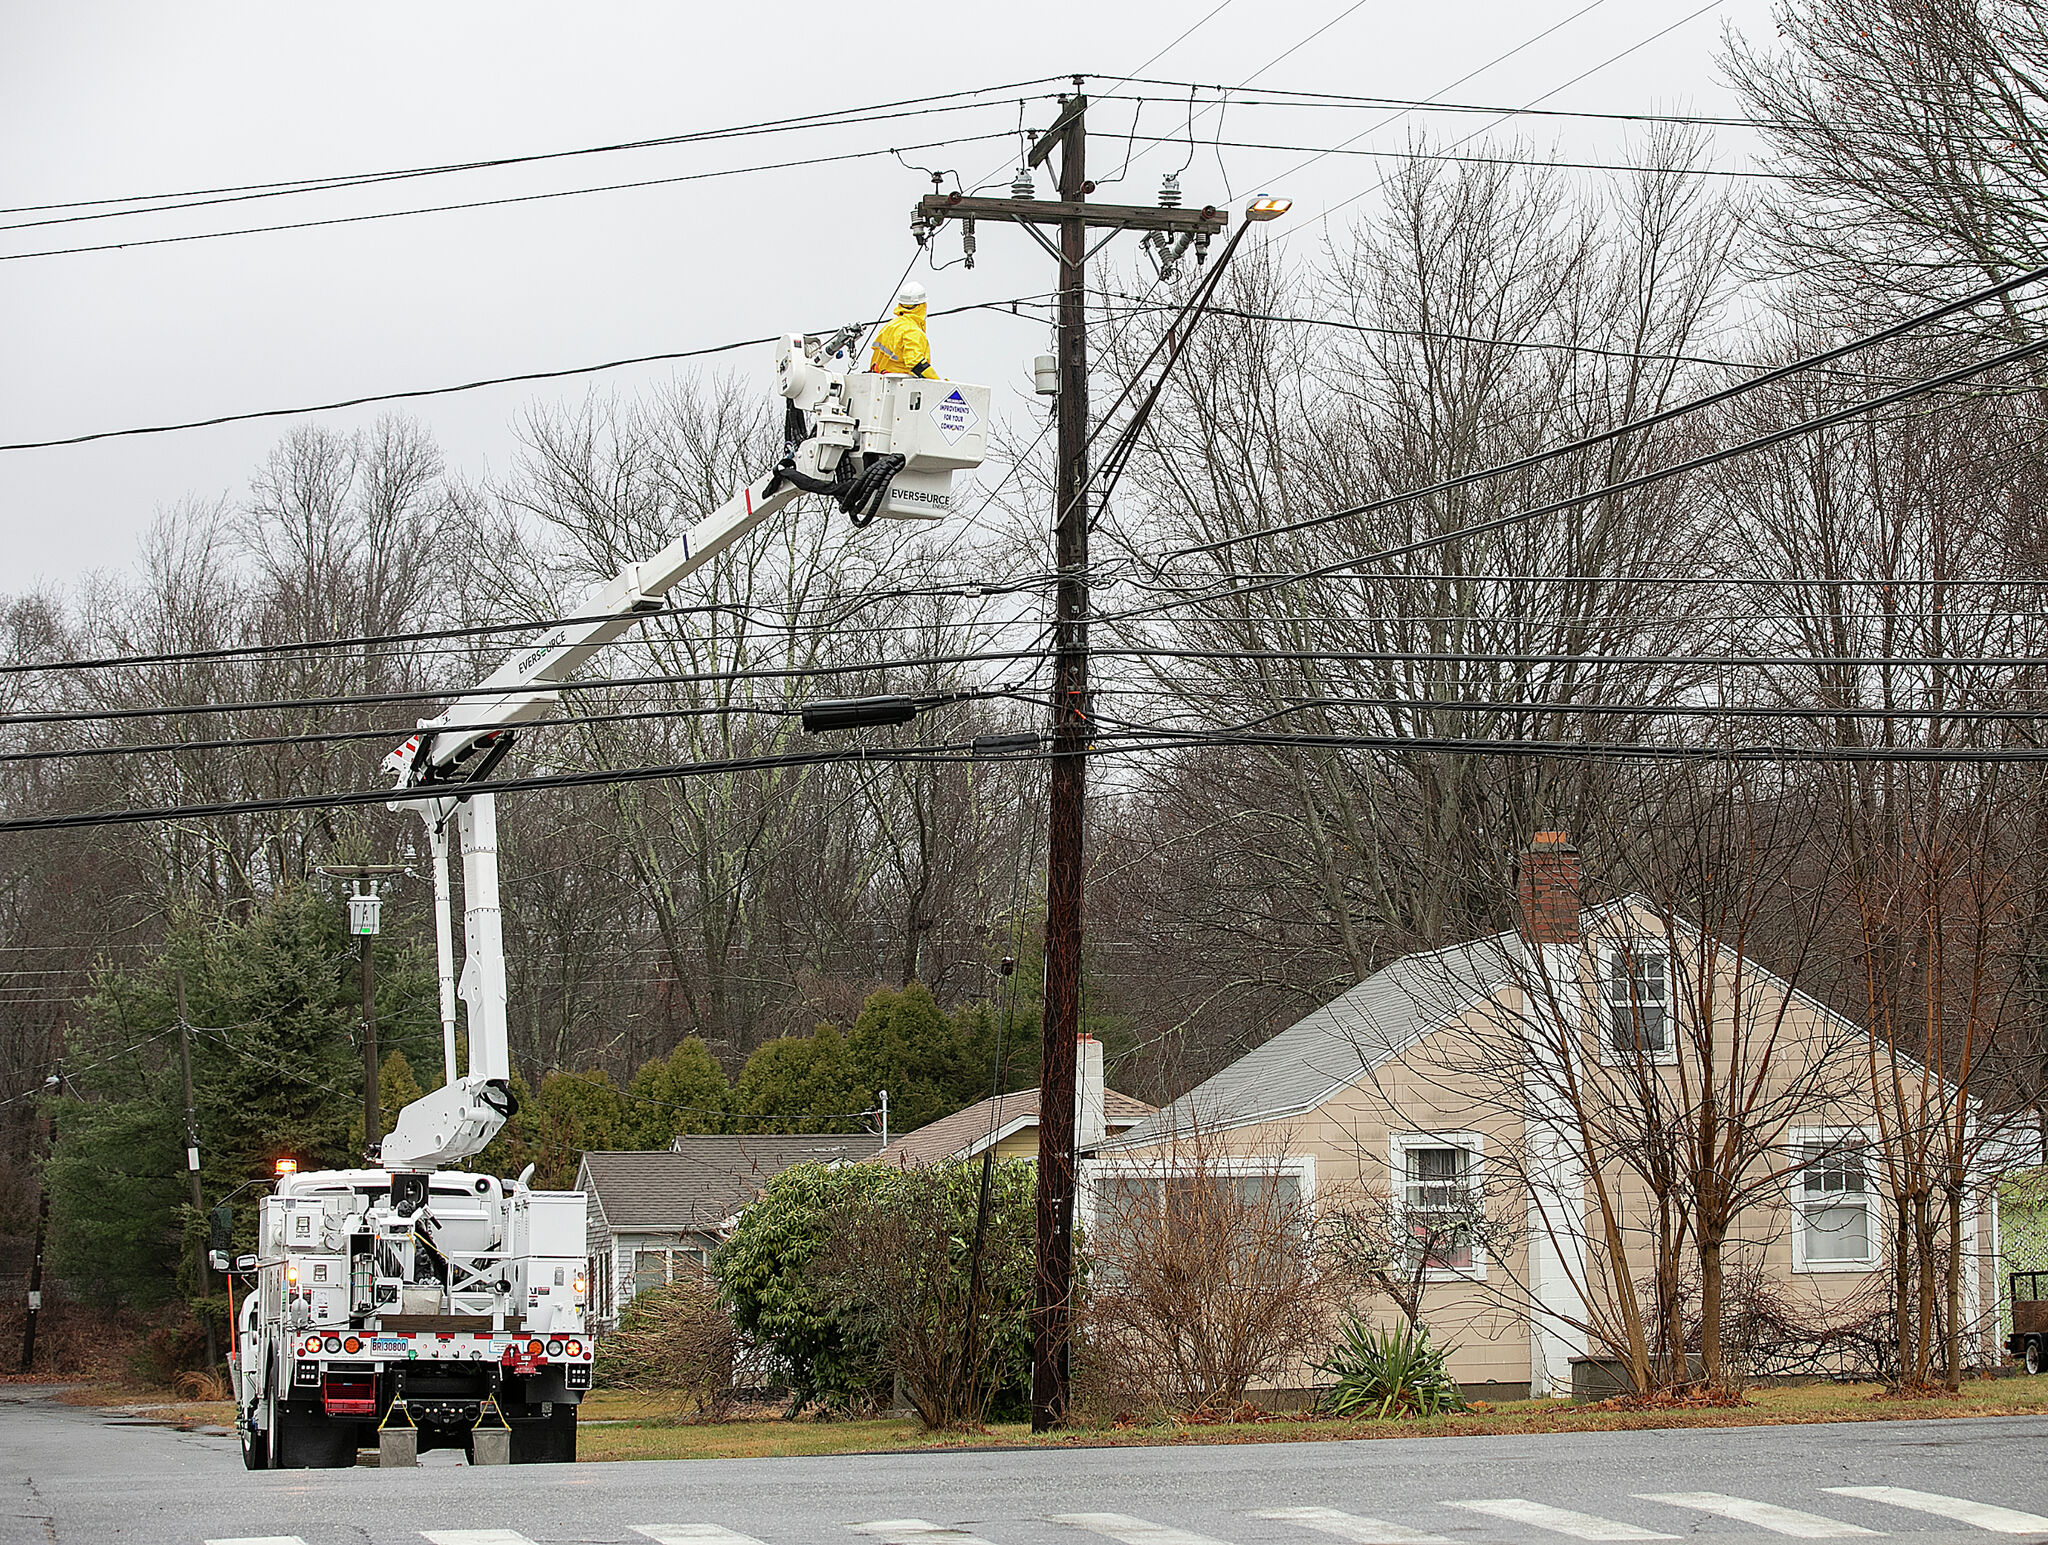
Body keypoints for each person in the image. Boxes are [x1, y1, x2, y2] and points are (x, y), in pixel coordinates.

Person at [868, 281, 936, 377]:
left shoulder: (891, 325)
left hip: (879, 380)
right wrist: (936, 381)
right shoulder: (912, 331)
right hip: (898, 384)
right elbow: (916, 363)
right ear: (922, 306)